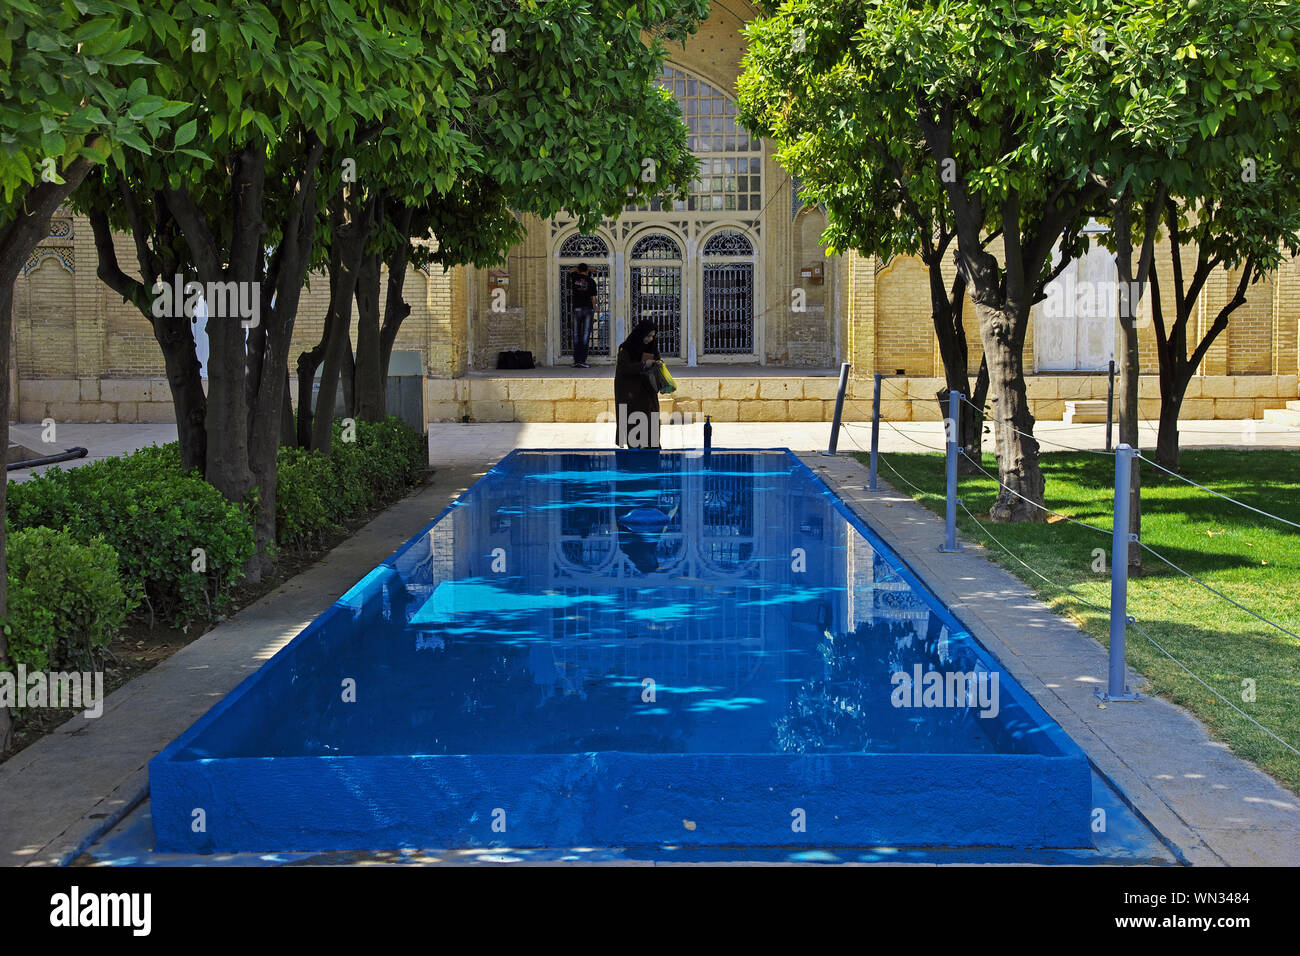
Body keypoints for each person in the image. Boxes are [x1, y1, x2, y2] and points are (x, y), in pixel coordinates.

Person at [614, 320, 661, 449]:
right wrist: (644, 365)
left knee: (651, 425)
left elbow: (656, 359)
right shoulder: (626, 349)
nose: (650, 339)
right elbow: (624, 369)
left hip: (646, 393)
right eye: (648, 336)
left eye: (652, 336)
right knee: (633, 427)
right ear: (640, 334)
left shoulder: (651, 347)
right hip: (630, 394)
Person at [568, 263, 598, 368]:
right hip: (588, 309)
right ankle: (582, 360)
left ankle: (576, 360)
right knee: (585, 335)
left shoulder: (574, 278)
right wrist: (593, 312)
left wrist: (584, 268)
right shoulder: (591, 281)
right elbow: (594, 299)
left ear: (579, 270)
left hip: (577, 309)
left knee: (576, 335)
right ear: (587, 271)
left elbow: (571, 270)